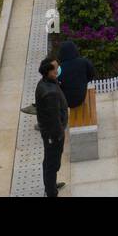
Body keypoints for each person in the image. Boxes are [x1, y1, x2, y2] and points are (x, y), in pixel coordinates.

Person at [35, 57, 69, 197]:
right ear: (48, 72)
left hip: (49, 131)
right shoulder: (50, 93)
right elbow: (54, 119)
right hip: (53, 134)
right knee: (52, 163)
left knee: (50, 161)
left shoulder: (45, 82)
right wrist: (59, 135)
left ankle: (50, 185)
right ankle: (51, 192)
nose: (58, 69)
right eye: (55, 68)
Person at [56, 40, 96, 109]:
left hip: (66, 100)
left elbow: (56, 83)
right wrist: (83, 82)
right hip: (81, 97)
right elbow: (92, 74)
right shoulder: (84, 62)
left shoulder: (60, 68)